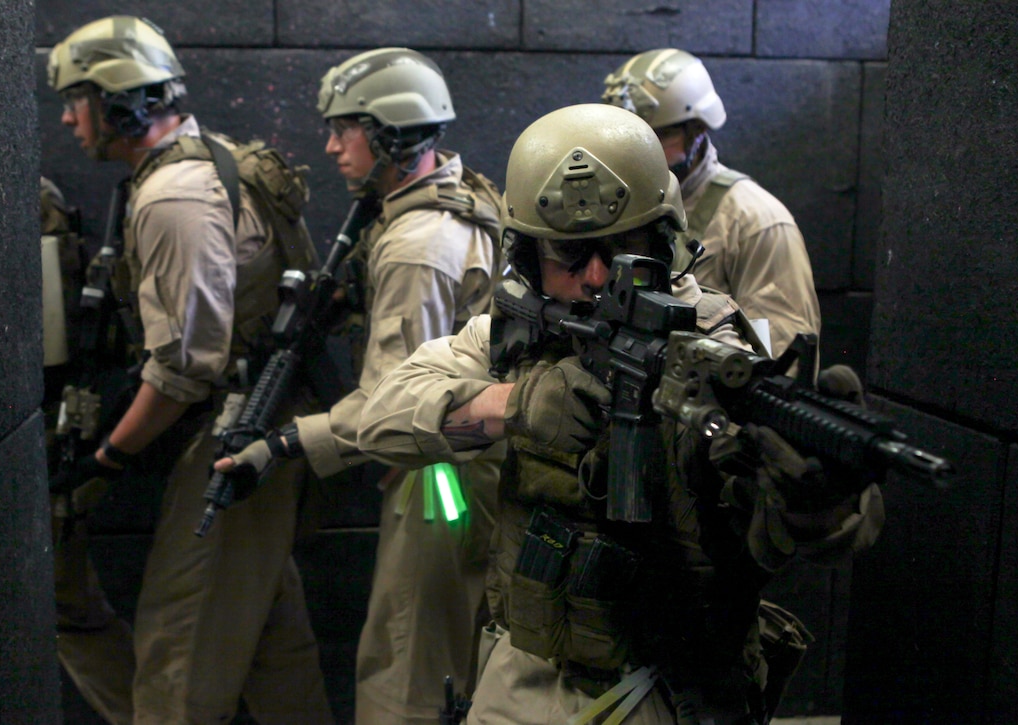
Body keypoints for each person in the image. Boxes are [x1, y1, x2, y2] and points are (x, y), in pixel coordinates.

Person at [355, 103, 885, 724]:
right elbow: (380, 420)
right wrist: (516, 405)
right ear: (526, 257)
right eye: (570, 256)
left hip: (669, 692)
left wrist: (811, 502)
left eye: (625, 251)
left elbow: (815, 535)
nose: (599, 279)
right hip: (521, 678)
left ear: (664, 238)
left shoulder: (717, 349)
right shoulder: (518, 334)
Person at [46, 15, 333, 723]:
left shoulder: (174, 198)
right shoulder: (214, 161)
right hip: (261, 433)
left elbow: (184, 370)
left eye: (76, 99)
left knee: (177, 669)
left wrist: (107, 459)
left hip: (232, 441)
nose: (66, 116)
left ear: (119, 102)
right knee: (275, 653)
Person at [216, 48, 504, 724]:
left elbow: (389, 406)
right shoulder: (458, 203)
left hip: (438, 481)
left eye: (345, 128)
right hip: (468, 458)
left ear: (391, 134)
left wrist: (282, 443)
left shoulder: (412, 245)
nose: (331, 145)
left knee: (406, 665)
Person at [603, 49, 820, 358]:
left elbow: (780, 363)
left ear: (697, 130)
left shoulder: (755, 221)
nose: (639, 154)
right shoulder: (619, 205)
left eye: (656, 137)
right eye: (630, 139)